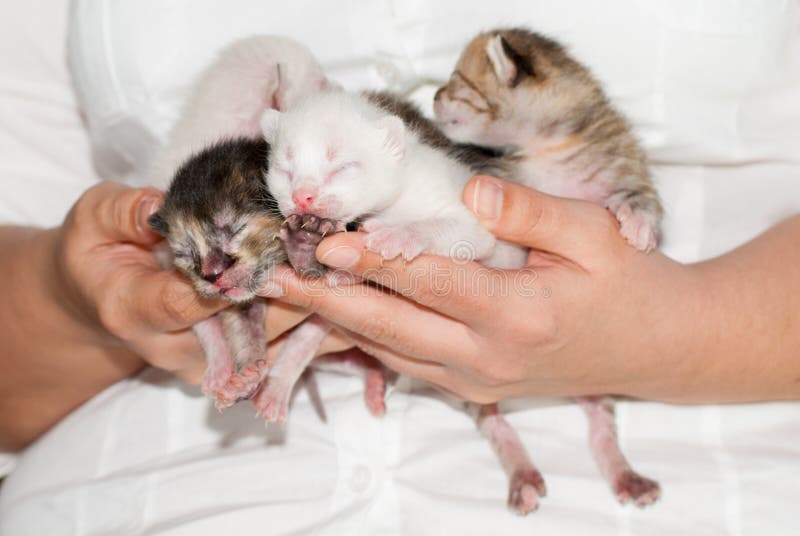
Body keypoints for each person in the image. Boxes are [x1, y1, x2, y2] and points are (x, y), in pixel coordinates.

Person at [1, 1, 798, 534]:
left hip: (700, 465)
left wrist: (671, 334)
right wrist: (81, 304)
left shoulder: (451, 161)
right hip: (135, 487)